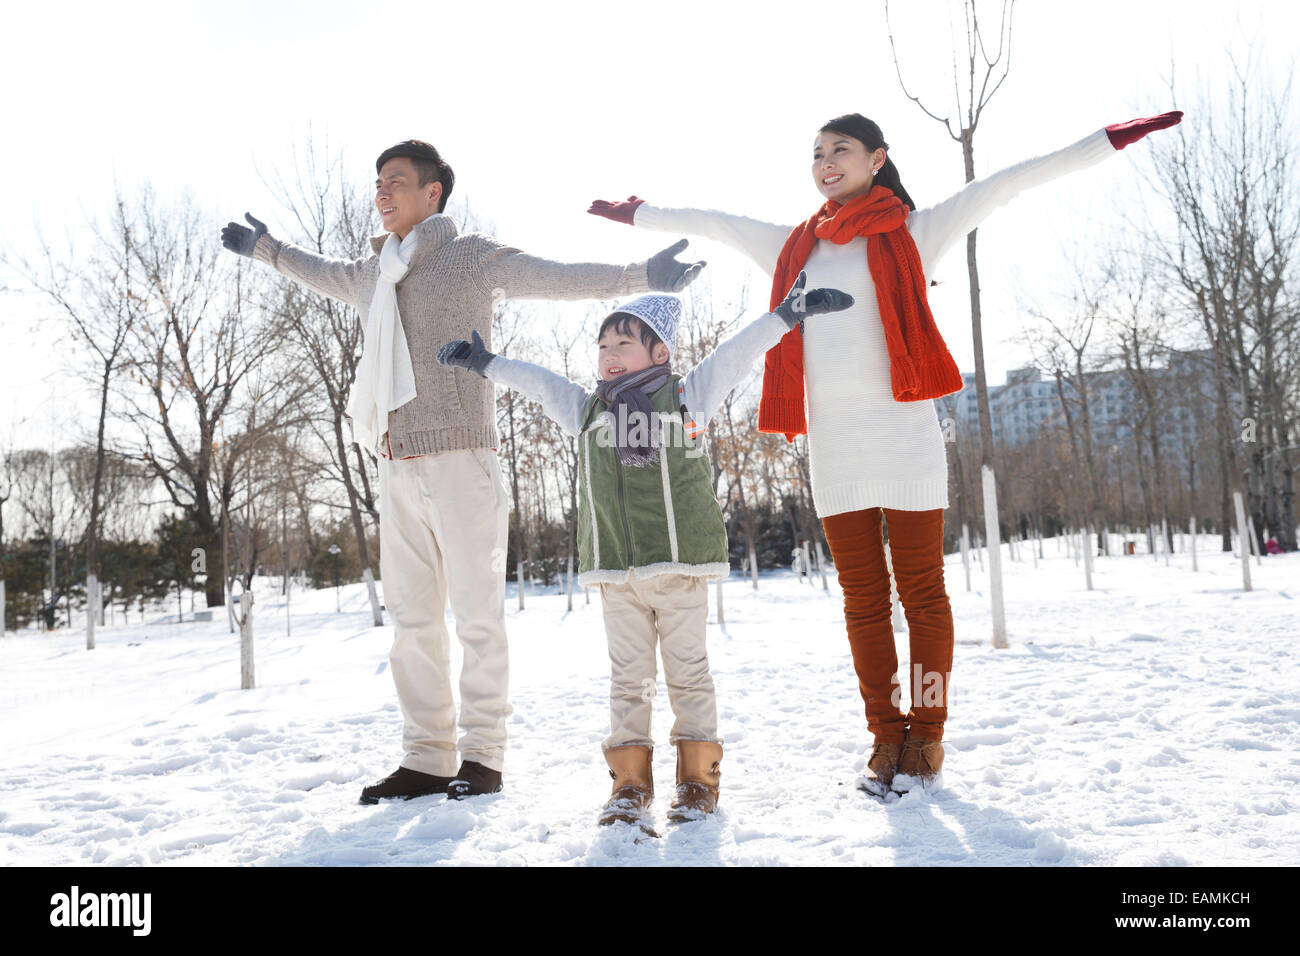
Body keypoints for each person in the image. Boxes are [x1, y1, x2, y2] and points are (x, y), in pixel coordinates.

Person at [588, 110, 1182, 795]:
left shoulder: (914, 232)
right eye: (817, 152)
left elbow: (1008, 182)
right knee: (863, 602)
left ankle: (927, 731)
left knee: (924, 595)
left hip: (906, 440)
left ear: (877, 159)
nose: (826, 160)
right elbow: (718, 221)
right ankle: (884, 733)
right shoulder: (794, 247)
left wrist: (1104, 140)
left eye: (841, 149)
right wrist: (642, 214)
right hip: (836, 447)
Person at [221, 139, 705, 804]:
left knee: (477, 616)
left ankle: (482, 756)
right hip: (396, 461)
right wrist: (267, 249)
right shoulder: (375, 273)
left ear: (432, 194)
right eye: (378, 183)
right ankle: (426, 756)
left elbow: (553, 276)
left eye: (396, 181)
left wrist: (639, 273)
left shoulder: (467, 259)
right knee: (413, 619)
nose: (382, 193)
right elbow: (322, 272)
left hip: (463, 460)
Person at [437, 276, 851, 826]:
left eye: (623, 344)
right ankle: (630, 785)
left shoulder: (685, 398)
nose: (609, 355)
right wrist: (485, 363)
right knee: (627, 681)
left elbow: (735, 356)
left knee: (688, 676)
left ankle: (698, 783)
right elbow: (541, 382)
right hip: (616, 574)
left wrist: (786, 316)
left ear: (660, 352)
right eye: (603, 347)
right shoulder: (588, 412)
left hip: (678, 568)